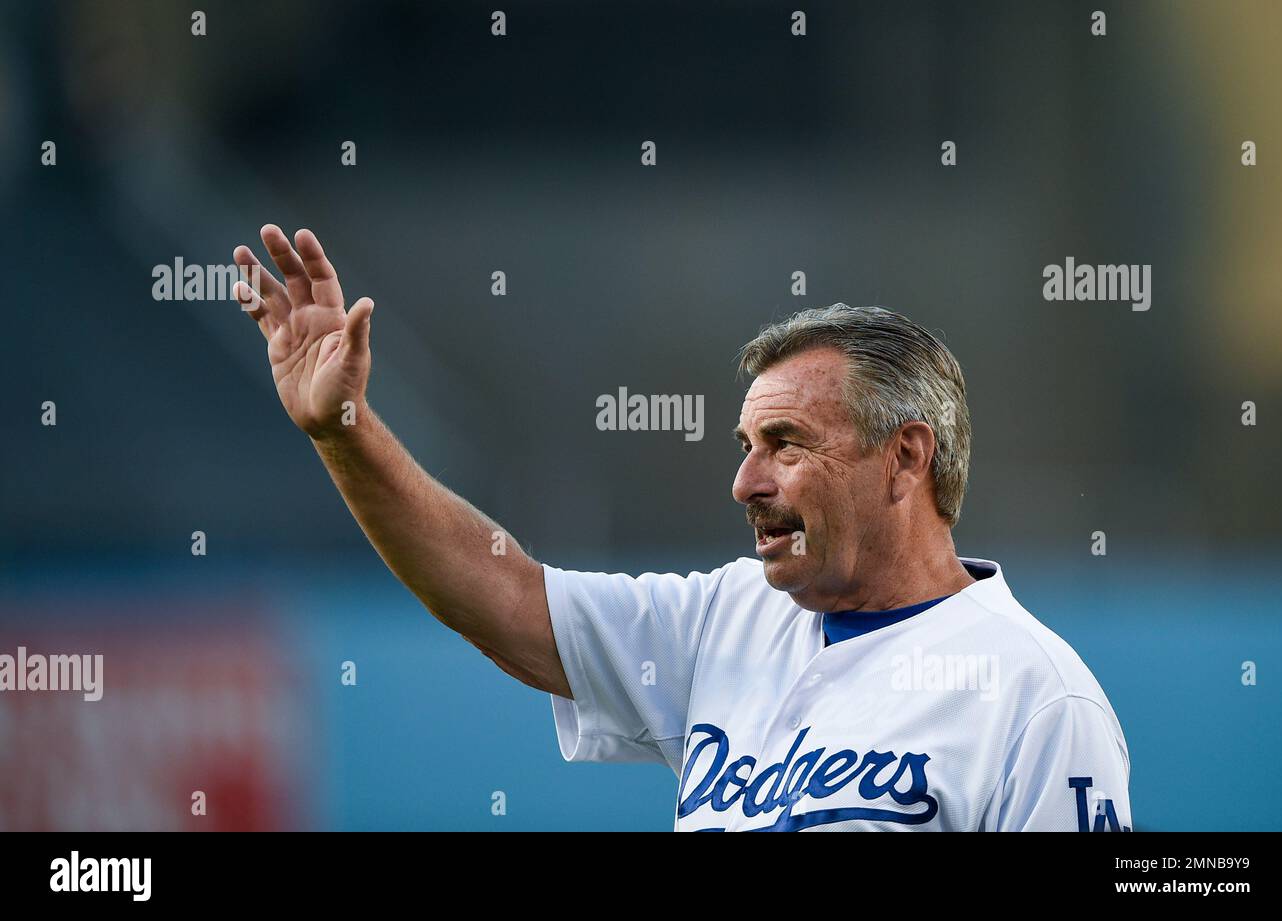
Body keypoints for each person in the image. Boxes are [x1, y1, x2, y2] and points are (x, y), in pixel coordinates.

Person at [231, 225, 1132, 831]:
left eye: (786, 443)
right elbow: (499, 595)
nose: (744, 481)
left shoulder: (1039, 698)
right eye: (746, 444)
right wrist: (342, 429)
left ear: (905, 458)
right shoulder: (725, 617)